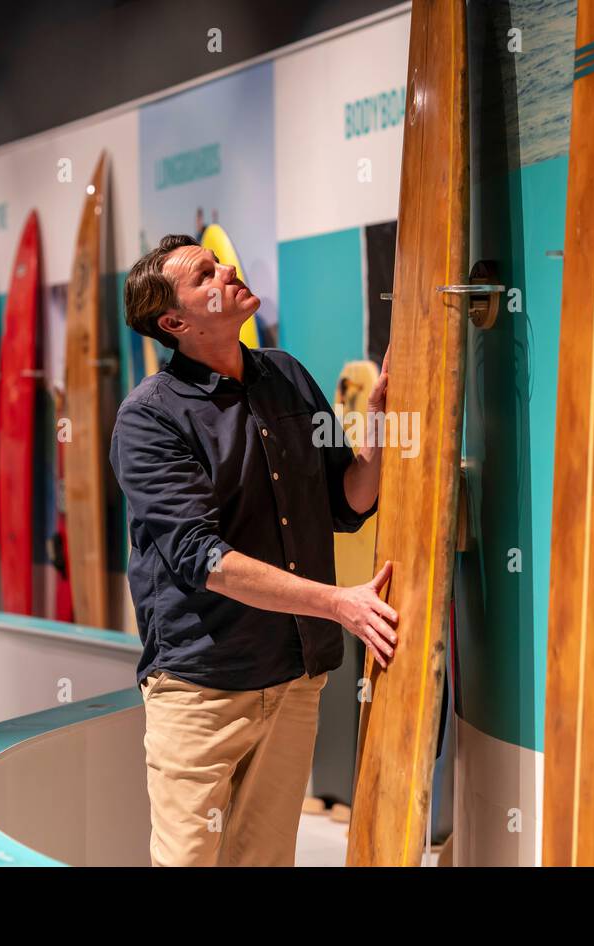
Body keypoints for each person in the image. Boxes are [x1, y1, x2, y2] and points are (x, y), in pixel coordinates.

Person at [111, 233, 397, 867]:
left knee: (264, 862)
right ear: (175, 321)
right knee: (187, 861)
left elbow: (345, 502)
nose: (228, 271)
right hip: (203, 688)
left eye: (221, 264)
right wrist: (338, 603)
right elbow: (200, 556)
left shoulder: (286, 374)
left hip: (295, 676)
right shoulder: (149, 418)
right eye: (206, 274)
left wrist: (378, 428)